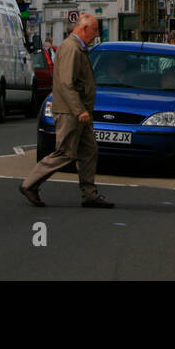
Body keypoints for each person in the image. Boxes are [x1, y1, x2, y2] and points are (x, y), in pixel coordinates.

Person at [20, 14, 114, 209]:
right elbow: (65, 82)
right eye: (94, 30)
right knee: (65, 153)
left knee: (88, 150)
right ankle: (30, 184)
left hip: (79, 111)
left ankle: (89, 194)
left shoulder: (79, 48)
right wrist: (79, 110)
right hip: (70, 112)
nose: (96, 35)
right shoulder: (72, 48)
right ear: (83, 28)